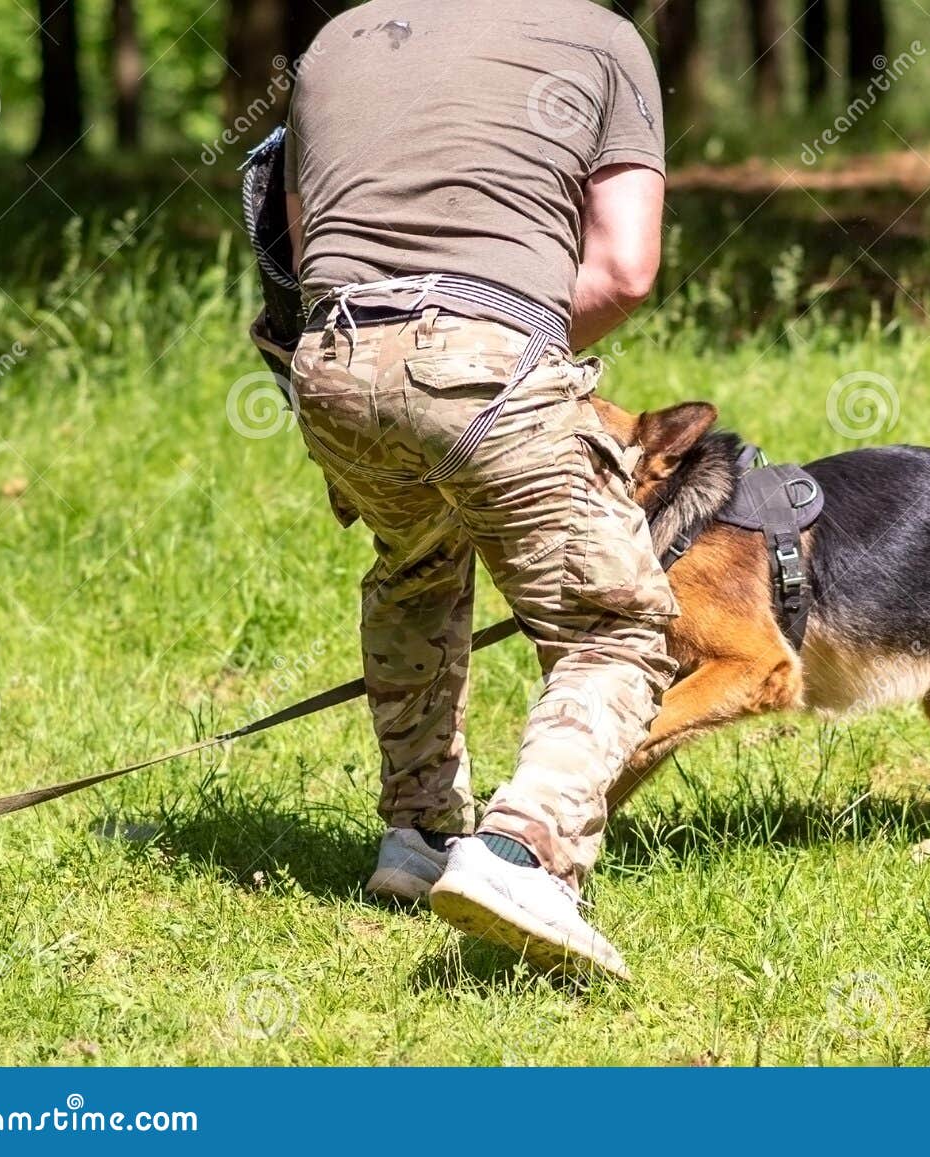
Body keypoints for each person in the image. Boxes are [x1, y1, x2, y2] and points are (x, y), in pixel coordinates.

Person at [280, 0, 674, 980]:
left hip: (330, 363)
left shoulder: (343, 37)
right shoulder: (603, 39)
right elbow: (624, 270)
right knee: (618, 627)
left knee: (413, 565)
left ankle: (415, 838)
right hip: (487, 358)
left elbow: (299, 250)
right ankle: (522, 851)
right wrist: (494, 346)